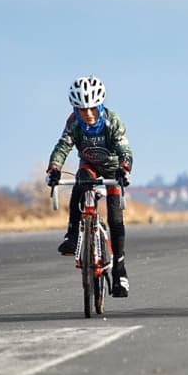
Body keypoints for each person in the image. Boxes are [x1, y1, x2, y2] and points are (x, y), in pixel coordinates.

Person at [46, 75, 134, 297]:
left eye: (92, 109)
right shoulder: (73, 123)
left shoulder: (112, 121)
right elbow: (63, 146)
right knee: (80, 181)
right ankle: (73, 234)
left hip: (112, 169)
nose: (88, 114)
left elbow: (125, 150)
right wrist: (54, 168)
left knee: (115, 219)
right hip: (90, 165)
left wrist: (124, 169)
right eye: (82, 110)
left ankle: (120, 271)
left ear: (100, 105)